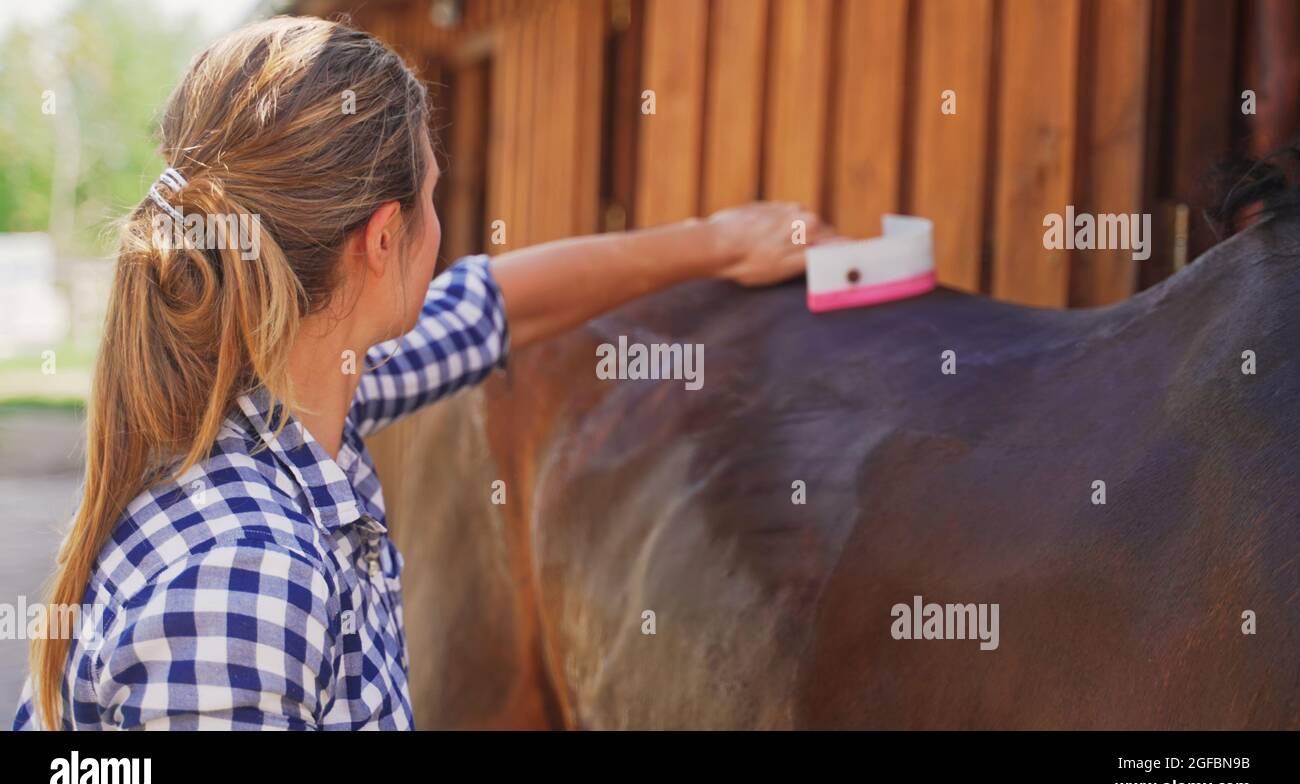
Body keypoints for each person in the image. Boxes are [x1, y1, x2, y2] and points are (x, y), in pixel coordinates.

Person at [15, 15, 837, 730]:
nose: (447, 231)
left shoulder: (272, 390)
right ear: (381, 240)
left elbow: (485, 309)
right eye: (435, 197)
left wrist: (720, 240)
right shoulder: (245, 578)